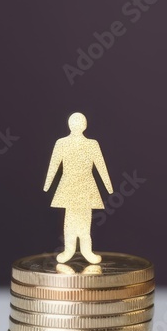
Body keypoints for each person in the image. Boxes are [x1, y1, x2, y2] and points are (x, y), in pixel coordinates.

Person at [43, 112, 113, 264]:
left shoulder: (92, 144)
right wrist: (47, 184)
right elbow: (54, 165)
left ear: (84, 125)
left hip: (86, 185)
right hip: (68, 185)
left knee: (84, 220)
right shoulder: (61, 143)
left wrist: (108, 186)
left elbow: (101, 166)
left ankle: (86, 250)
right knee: (70, 219)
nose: (77, 125)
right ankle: (69, 249)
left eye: (79, 122)